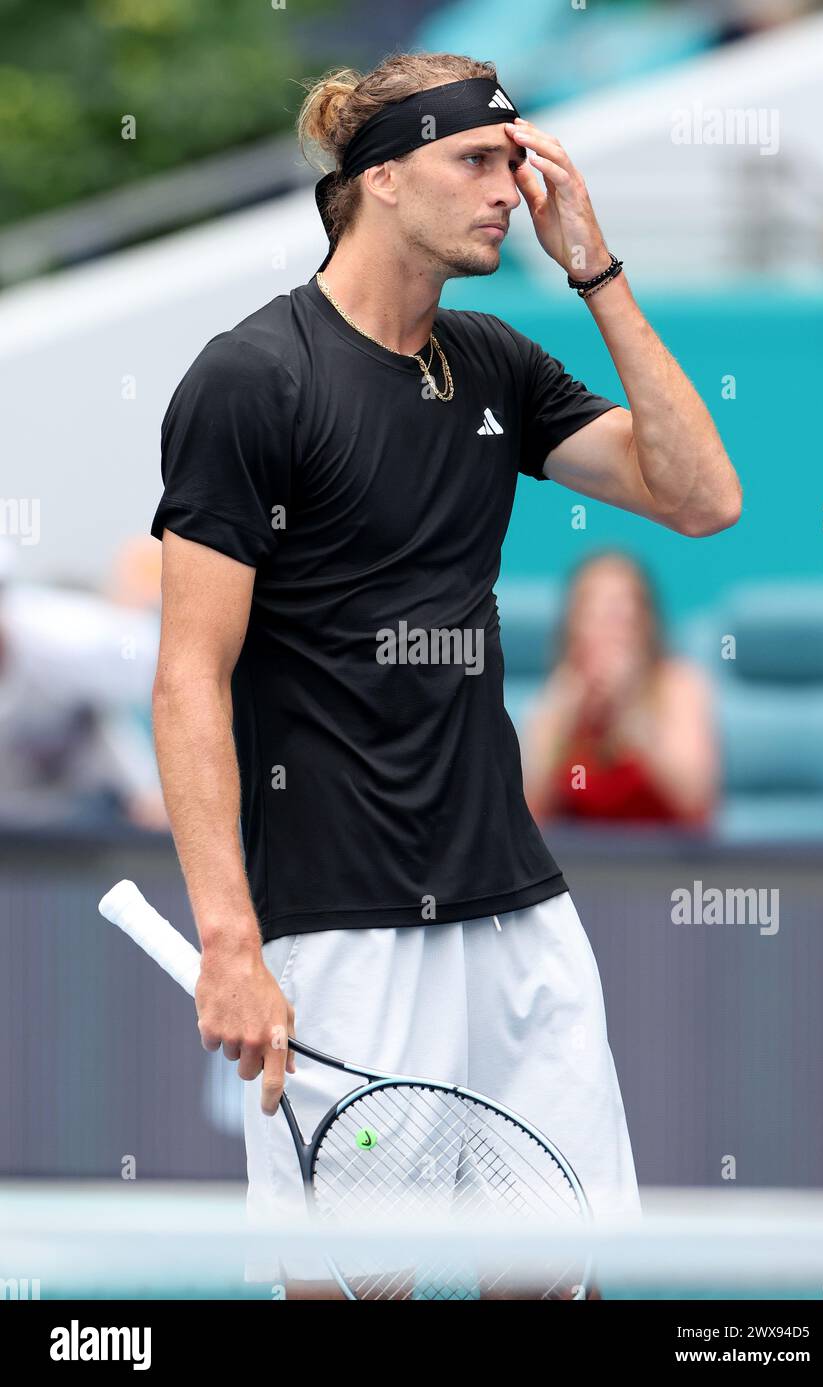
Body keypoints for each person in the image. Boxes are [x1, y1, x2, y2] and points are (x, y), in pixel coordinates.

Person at [149, 52, 742, 1299]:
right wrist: (228, 940)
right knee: (356, 1294)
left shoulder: (493, 363)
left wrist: (595, 270)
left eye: (514, 161)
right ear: (378, 179)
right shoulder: (253, 379)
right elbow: (188, 679)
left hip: (514, 903)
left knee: (551, 1281)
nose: (507, 189)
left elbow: (701, 498)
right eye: (478, 160)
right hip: (337, 921)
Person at [522, 552, 719, 827]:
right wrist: (564, 718)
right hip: (582, 863)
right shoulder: (559, 694)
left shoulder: (676, 685)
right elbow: (529, 816)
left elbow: (695, 801)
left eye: (619, 612)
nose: (608, 628)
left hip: (667, 862)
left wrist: (631, 711)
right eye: (593, 612)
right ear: (572, 626)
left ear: (646, 623)